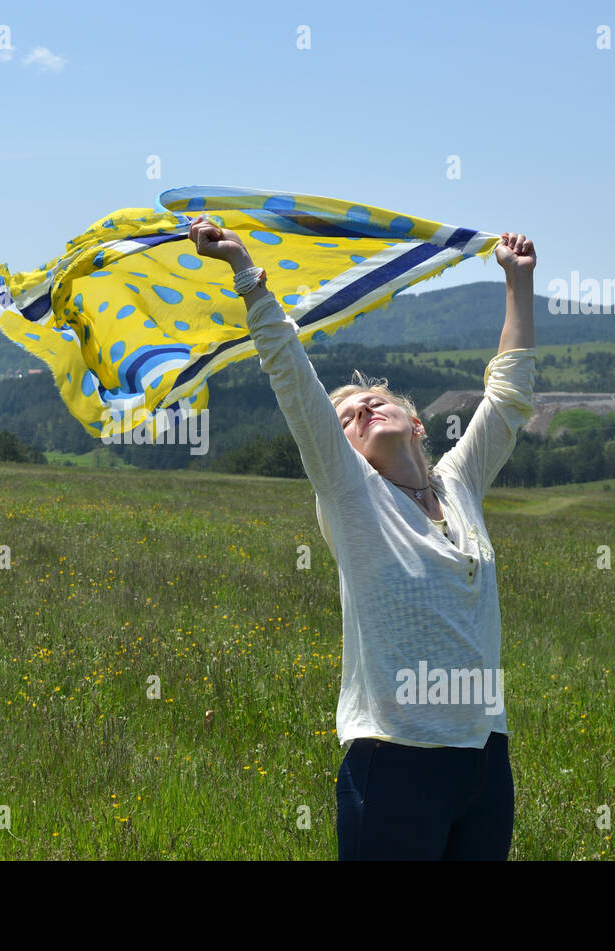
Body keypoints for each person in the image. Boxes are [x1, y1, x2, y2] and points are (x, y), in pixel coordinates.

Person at [189, 216, 537, 860]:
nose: (360, 411)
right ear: (340, 449)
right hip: (395, 760)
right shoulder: (352, 497)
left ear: (416, 423)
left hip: (486, 759)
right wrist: (245, 272)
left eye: (374, 400)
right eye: (346, 417)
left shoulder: (458, 485)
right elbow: (294, 382)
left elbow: (510, 396)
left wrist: (518, 283)